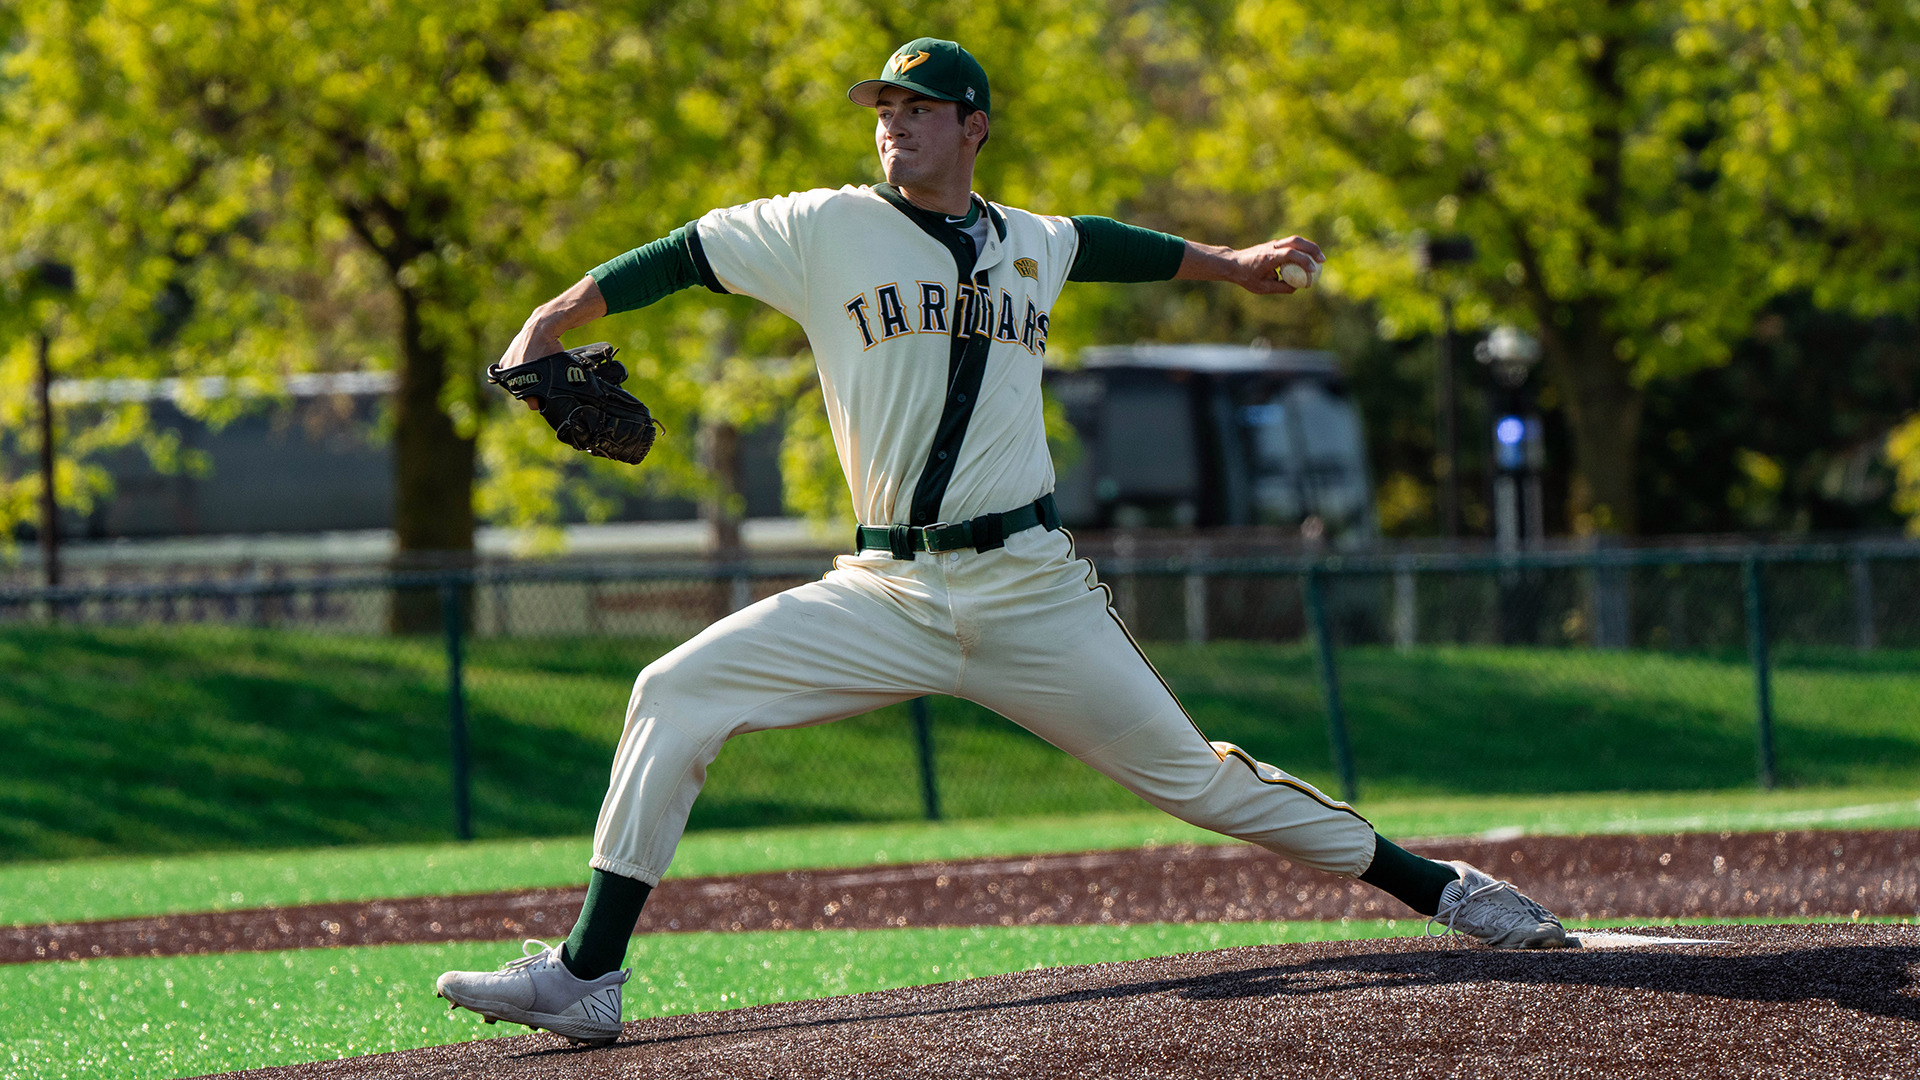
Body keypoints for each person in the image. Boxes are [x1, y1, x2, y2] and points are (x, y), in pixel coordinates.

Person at [435, 37, 1570, 1046]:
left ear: (973, 127)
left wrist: (1230, 265)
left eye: (919, 108)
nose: (894, 125)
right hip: (884, 588)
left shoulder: (1029, 241)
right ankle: (587, 975)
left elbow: (1101, 243)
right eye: (884, 109)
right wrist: (552, 319)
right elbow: (682, 254)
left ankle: (1444, 889)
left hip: (1031, 589)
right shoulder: (825, 227)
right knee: (673, 691)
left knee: (1195, 781)